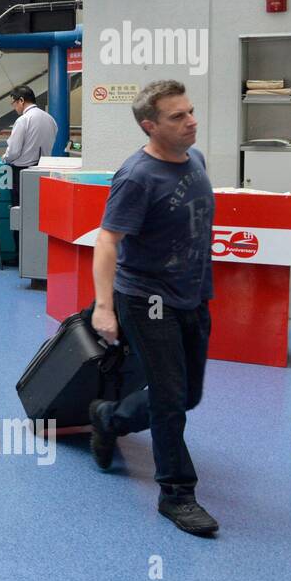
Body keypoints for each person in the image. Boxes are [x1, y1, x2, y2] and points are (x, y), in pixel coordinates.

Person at [88, 80, 218, 536]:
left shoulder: (195, 160)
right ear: (150, 125)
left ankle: (109, 417)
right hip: (149, 301)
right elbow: (107, 241)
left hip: (195, 294)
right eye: (177, 116)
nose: (191, 121)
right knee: (168, 398)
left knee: (188, 395)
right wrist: (105, 308)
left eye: (191, 111)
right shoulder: (137, 176)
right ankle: (177, 494)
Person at [2, 85, 59, 252]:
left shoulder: (23, 120)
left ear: (21, 100)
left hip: (22, 173)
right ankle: (38, 254)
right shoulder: (50, 119)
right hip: (45, 171)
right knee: (40, 216)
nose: (14, 107)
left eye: (14, 103)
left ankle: (21, 255)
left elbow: (13, 151)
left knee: (21, 215)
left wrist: (6, 157)